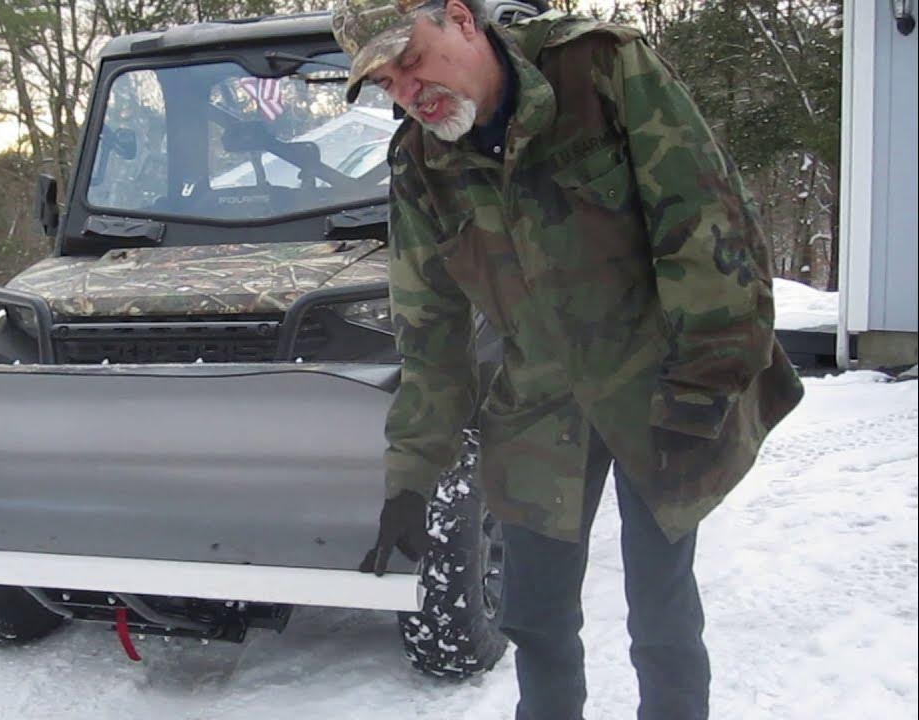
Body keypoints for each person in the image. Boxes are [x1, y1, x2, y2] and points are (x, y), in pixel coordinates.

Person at [333, 0, 806, 717]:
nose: (407, 90)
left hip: (661, 377)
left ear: (462, 19)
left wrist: (706, 379)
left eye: (410, 59)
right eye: (385, 82)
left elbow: (705, 219)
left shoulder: (598, 68)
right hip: (537, 395)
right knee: (538, 617)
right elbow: (430, 330)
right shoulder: (421, 163)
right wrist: (410, 476)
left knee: (661, 610)